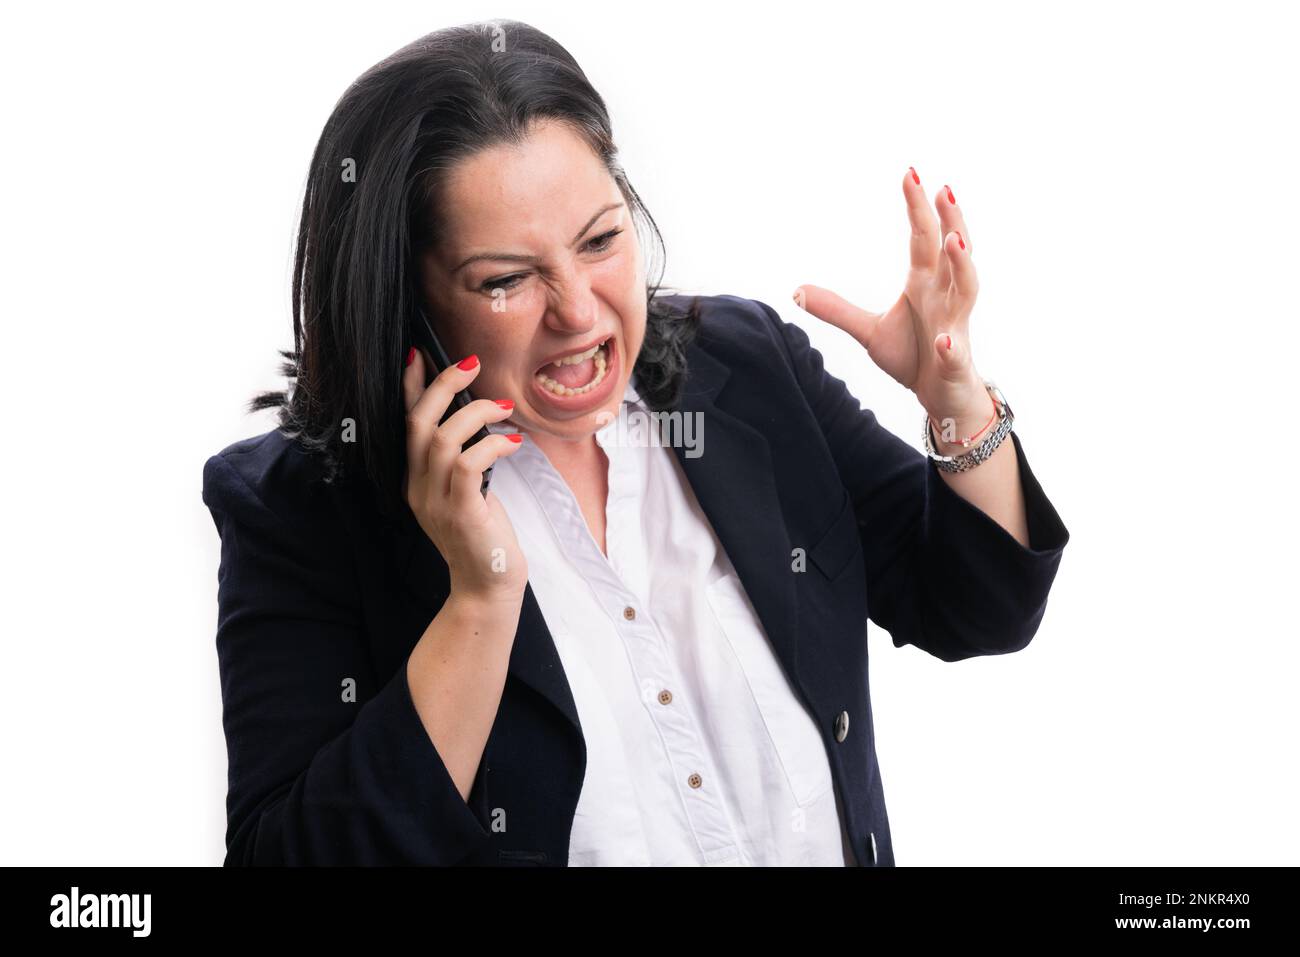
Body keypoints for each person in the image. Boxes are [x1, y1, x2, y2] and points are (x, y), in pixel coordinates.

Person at [201, 19, 1070, 866]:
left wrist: (954, 398)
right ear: (406, 299)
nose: (579, 311)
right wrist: (479, 603)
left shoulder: (746, 367)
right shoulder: (302, 510)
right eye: (506, 279)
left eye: (601, 241)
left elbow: (978, 604)